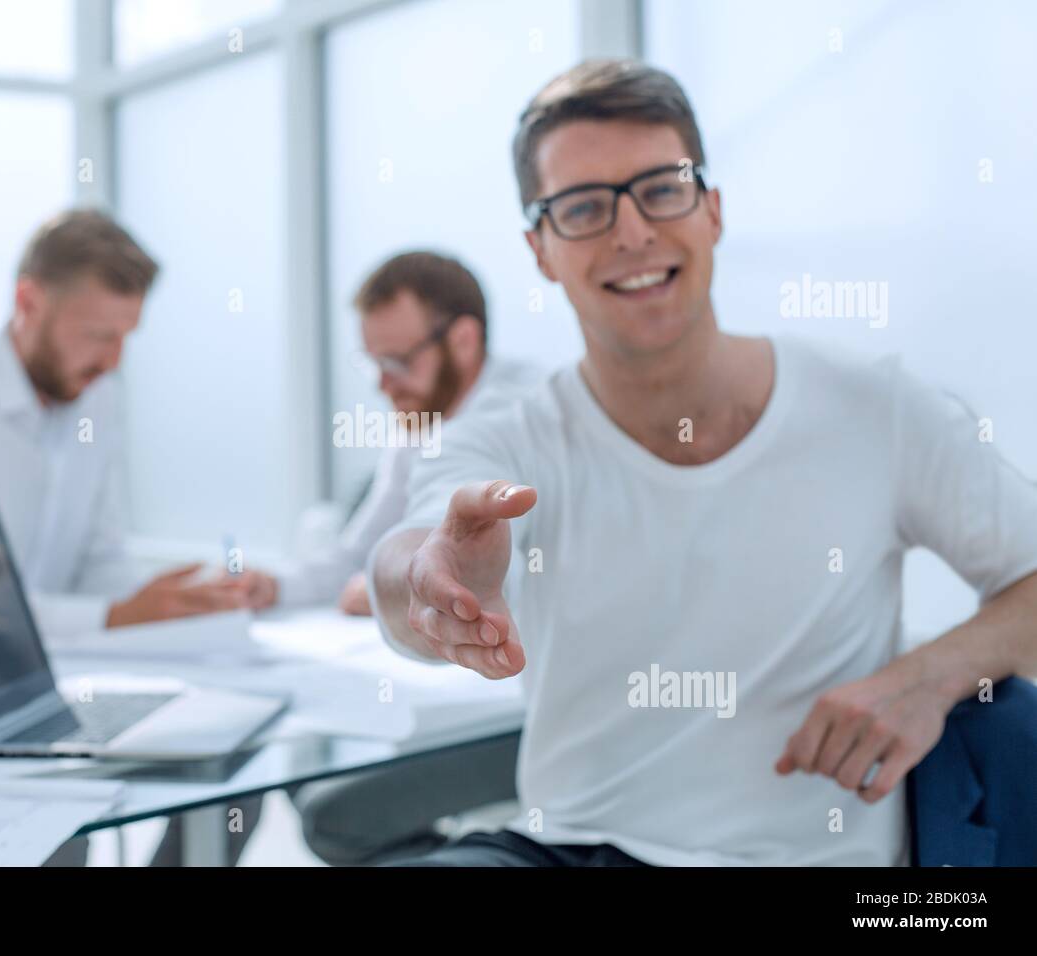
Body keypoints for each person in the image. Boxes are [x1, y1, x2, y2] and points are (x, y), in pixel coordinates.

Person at [368, 59, 1037, 866]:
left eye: (662, 188)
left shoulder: (875, 407)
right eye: (582, 207)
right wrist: (428, 584)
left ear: (711, 210)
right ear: (540, 250)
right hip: (570, 849)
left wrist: (930, 676)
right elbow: (409, 559)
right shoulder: (503, 442)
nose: (631, 232)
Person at [0, 209, 254, 865]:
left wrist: (167, 601)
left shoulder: (97, 397)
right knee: (61, 842)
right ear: (28, 301)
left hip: (69, 682)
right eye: (96, 335)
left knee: (237, 769)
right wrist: (117, 615)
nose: (111, 361)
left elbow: (97, 558)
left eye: (125, 338)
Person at [233, 251, 542, 864]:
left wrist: (387, 585)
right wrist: (275, 586)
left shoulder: (526, 413)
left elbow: (471, 565)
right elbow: (358, 551)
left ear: (464, 340)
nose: (383, 384)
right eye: (374, 363)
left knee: (332, 816)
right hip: (443, 696)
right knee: (302, 777)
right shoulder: (420, 419)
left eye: (398, 361)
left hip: (520, 713)